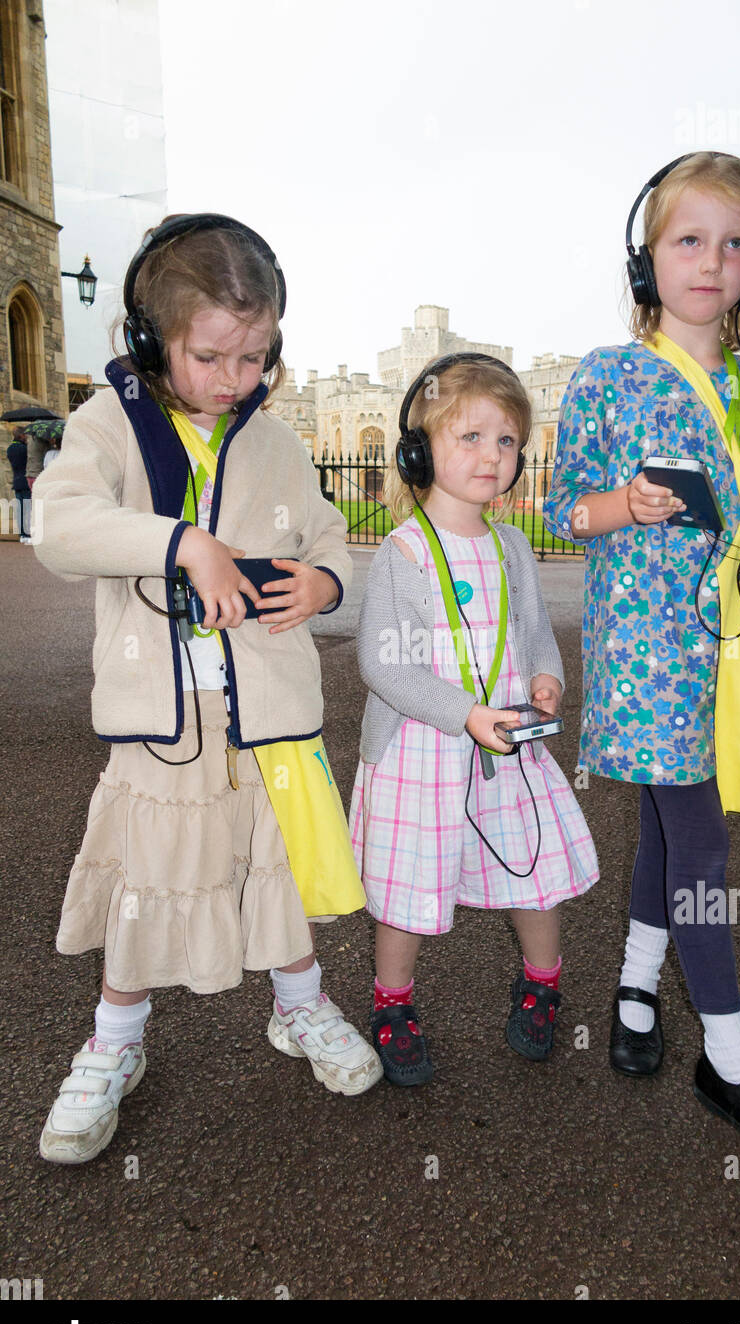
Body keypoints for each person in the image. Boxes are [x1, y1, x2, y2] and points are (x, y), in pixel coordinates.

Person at [32, 214, 382, 1164]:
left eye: (255, 357)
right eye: (211, 357)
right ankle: (115, 1044)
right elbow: (58, 528)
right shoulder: (108, 424)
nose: (235, 380)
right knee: (150, 883)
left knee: (274, 869)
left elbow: (325, 538)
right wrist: (180, 541)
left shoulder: (275, 441)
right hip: (164, 732)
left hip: (268, 723)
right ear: (151, 338)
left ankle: (299, 1009)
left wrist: (324, 581)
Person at [543, 152, 740, 1168]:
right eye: (690, 239)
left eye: (735, 244)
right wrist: (620, 506)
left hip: (731, 647)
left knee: (671, 827)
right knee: (702, 840)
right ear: (648, 259)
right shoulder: (605, 376)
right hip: (649, 649)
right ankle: (730, 1053)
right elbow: (564, 512)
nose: (712, 262)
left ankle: (636, 983)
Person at [349, 353, 598, 1085]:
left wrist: (545, 676)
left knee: (533, 873)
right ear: (421, 451)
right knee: (407, 884)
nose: (493, 456)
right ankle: (392, 1003)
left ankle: (542, 983)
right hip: (420, 752)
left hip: (504, 746)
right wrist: (465, 714)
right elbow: (385, 668)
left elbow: (530, 629)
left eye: (507, 441)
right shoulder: (401, 554)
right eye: (471, 437)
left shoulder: (511, 544)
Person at [7, 425, 31, 541]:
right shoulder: (24, 448)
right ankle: (26, 533)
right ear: (21, 435)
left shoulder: (10, 448)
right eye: (25, 435)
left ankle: (21, 533)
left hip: (16, 480)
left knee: (20, 509)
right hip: (26, 481)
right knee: (27, 509)